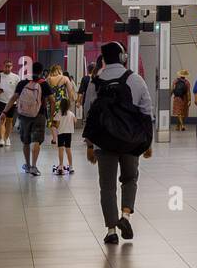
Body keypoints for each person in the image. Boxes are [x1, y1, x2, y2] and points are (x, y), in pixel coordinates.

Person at [85, 42, 153, 245]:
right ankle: (126, 217)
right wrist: (148, 143)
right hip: (131, 142)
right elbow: (146, 112)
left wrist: (90, 145)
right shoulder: (136, 79)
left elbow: (90, 114)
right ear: (123, 57)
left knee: (107, 187)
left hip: (104, 143)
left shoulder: (95, 82)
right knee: (130, 178)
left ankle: (111, 230)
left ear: (103, 59)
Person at [3, 65, 53, 176]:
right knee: (36, 141)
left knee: (26, 142)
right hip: (39, 115)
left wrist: (4, 112)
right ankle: (34, 167)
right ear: (41, 72)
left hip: (24, 116)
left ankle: (27, 165)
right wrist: (51, 116)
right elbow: (52, 101)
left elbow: (13, 98)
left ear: (31, 71)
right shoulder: (43, 84)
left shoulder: (22, 83)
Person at [0, 60, 20, 147]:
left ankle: (7, 137)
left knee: (9, 121)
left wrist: (19, 101)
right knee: (2, 120)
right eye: (6, 66)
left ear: (12, 67)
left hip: (12, 103)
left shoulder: (16, 77)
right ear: (3, 66)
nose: (8, 68)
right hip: (1, 101)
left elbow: (19, 91)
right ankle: (1, 139)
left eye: (9, 66)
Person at [46, 64, 75, 145]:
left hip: (51, 102)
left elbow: (45, 92)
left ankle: (54, 139)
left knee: (52, 120)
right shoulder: (65, 78)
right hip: (62, 102)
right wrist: (71, 101)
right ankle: (61, 137)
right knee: (62, 120)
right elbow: (70, 91)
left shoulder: (48, 79)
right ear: (59, 70)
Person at [53, 97, 76, 176]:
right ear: (69, 106)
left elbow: (57, 125)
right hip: (68, 133)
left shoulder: (58, 113)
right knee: (68, 149)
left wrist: (55, 125)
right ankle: (71, 166)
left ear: (60, 105)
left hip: (61, 133)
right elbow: (75, 121)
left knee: (60, 149)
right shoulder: (71, 113)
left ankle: (61, 166)